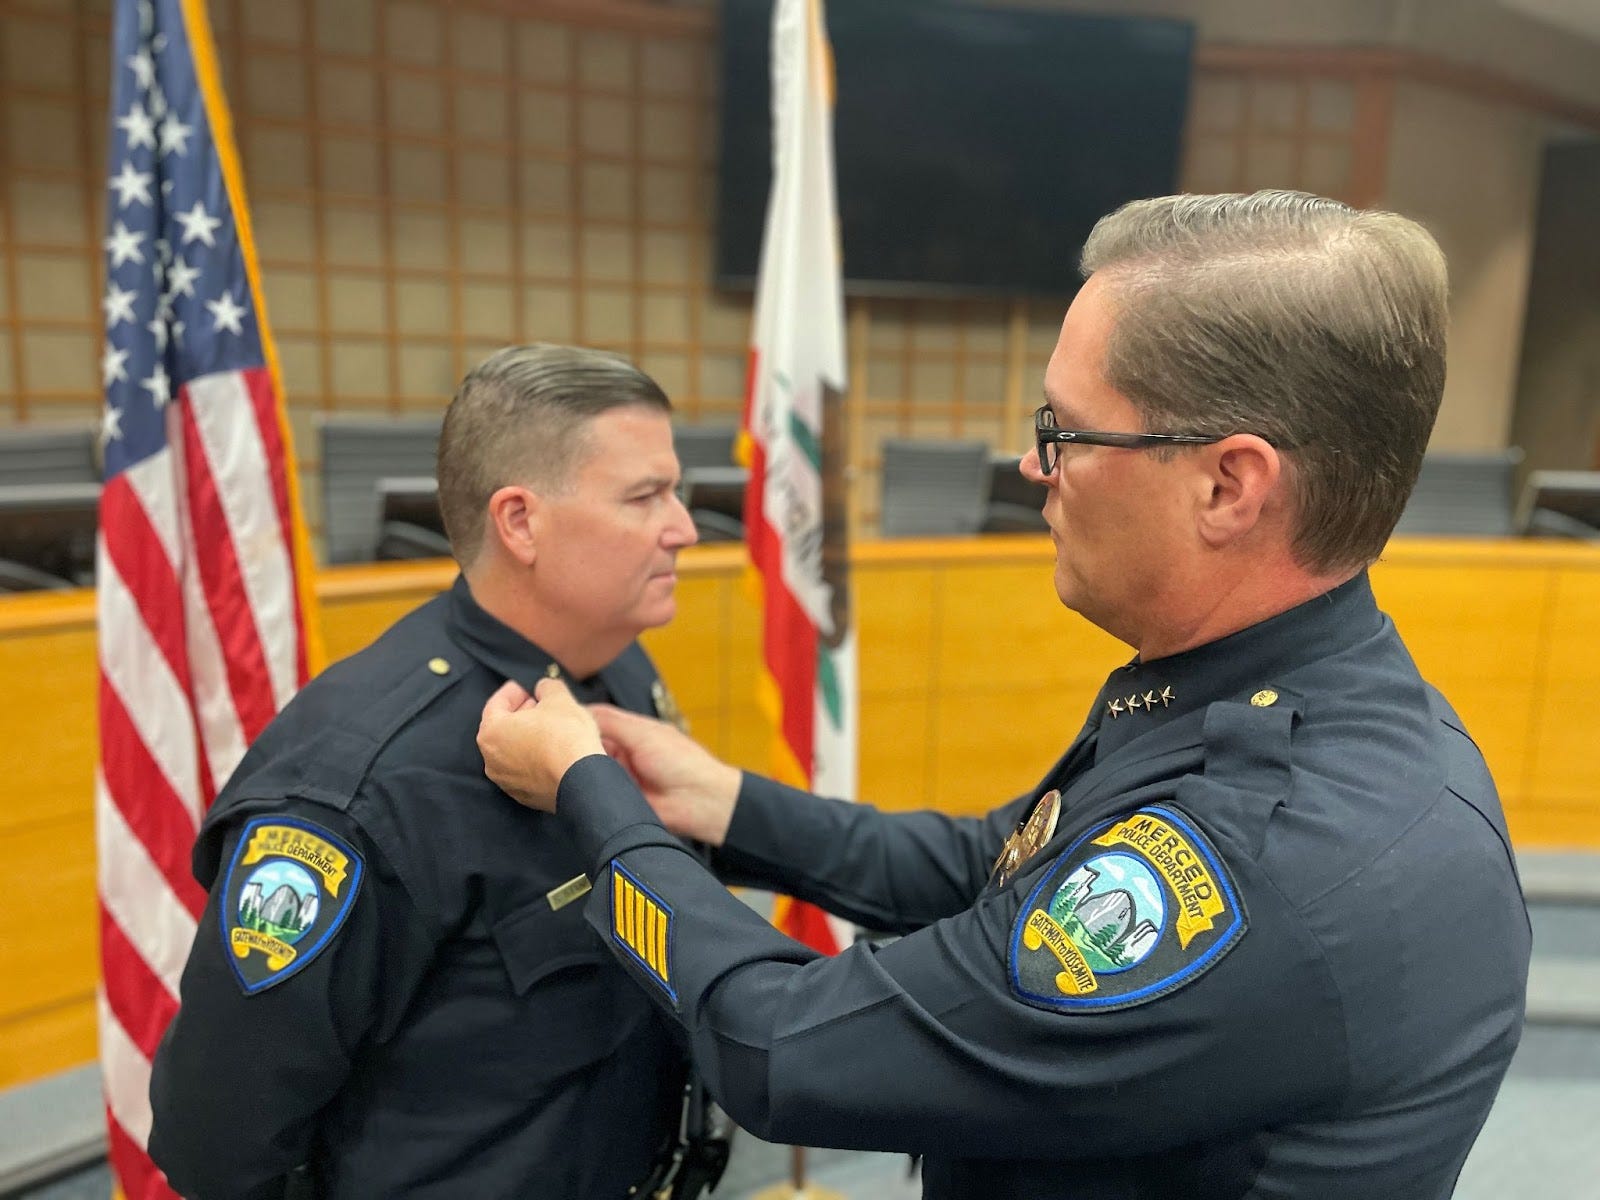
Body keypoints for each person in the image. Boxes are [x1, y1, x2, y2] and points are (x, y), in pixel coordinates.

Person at [476, 192, 1532, 1199]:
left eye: (1067, 431)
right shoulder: (1275, 694)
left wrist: (588, 796)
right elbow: (1000, 868)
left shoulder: (1267, 853)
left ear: (1228, 485)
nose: (1032, 463)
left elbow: (780, 1045)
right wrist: (722, 805)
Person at [149, 344, 724, 1199]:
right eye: (646, 497)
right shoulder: (364, 787)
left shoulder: (616, 671)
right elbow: (216, 1136)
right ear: (520, 522)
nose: (685, 526)